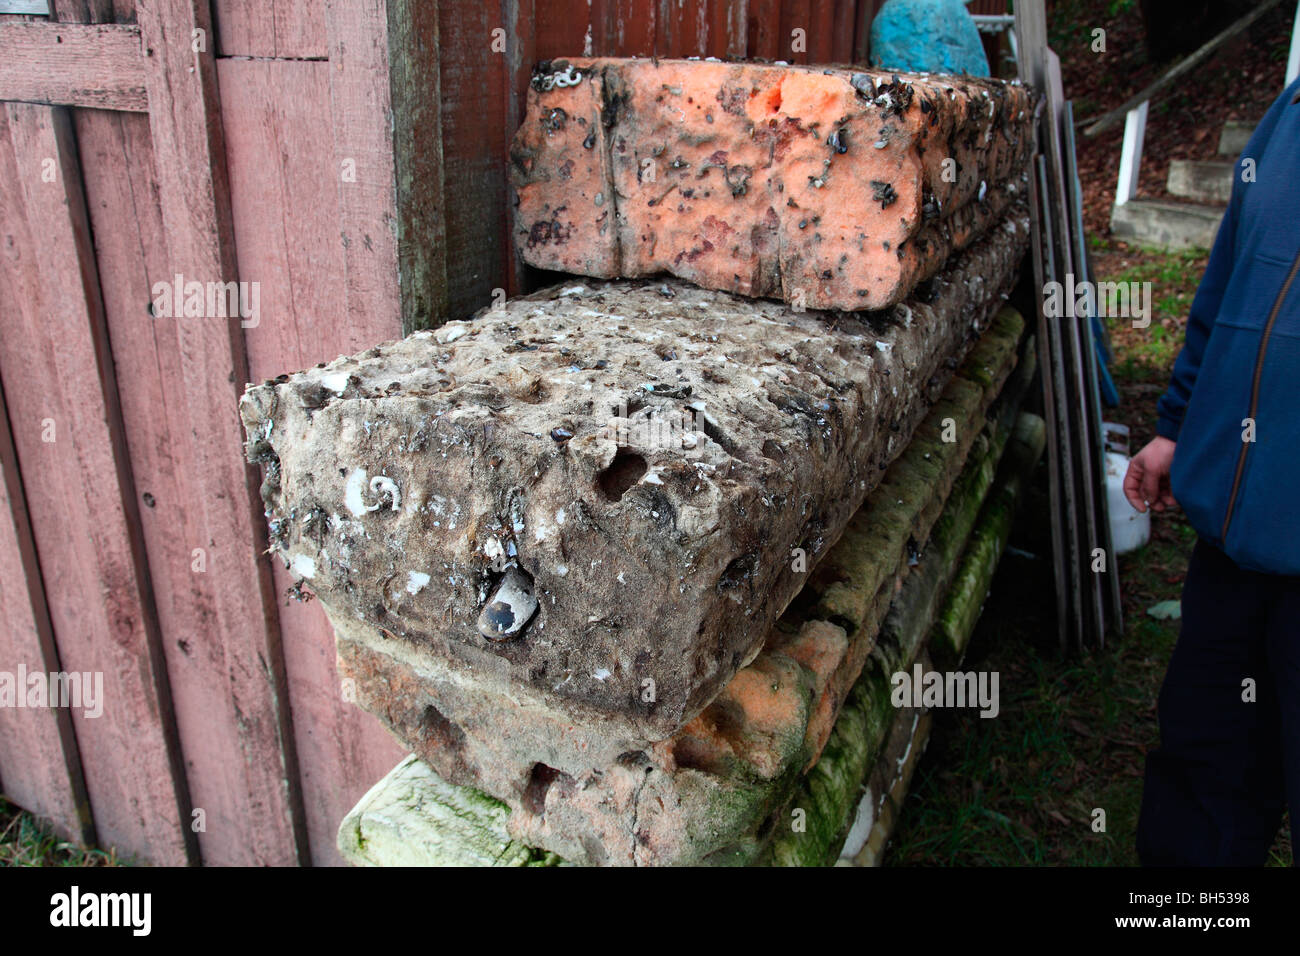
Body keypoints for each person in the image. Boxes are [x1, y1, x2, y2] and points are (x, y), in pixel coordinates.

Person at [1124, 76, 1300, 866]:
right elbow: (1229, 281)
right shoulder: (1291, 114)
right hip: (1231, 545)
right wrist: (1177, 425)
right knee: (1203, 771)